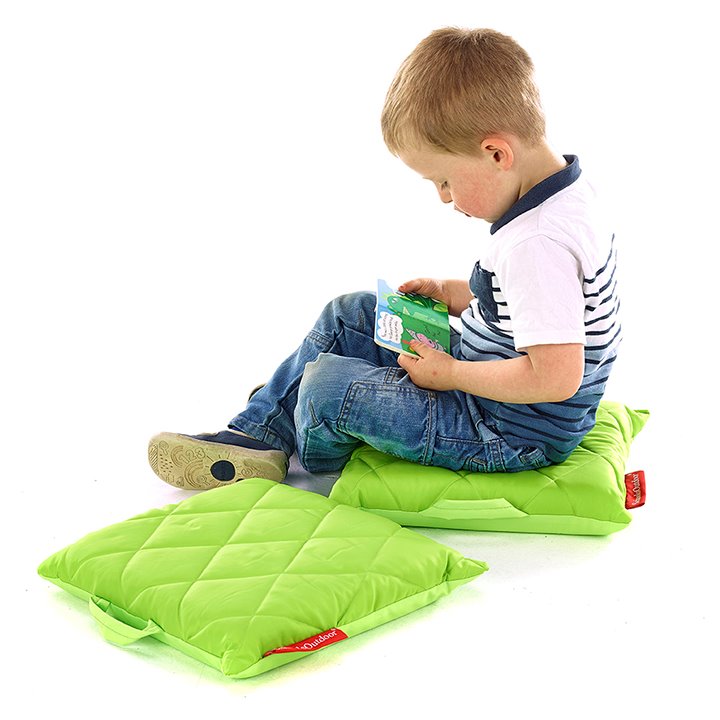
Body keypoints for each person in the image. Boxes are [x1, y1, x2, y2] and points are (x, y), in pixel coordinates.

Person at [148, 27, 621, 491]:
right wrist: (450, 293)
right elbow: (523, 307)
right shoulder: (560, 199)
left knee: (326, 387)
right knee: (351, 315)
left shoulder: (536, 244)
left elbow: (556, 376)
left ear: (496, 153)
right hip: (490, 384)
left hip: (508, 430)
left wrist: (451, 374)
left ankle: (297, 427)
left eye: (444, 181)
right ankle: (256, 434)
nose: (443, 198)